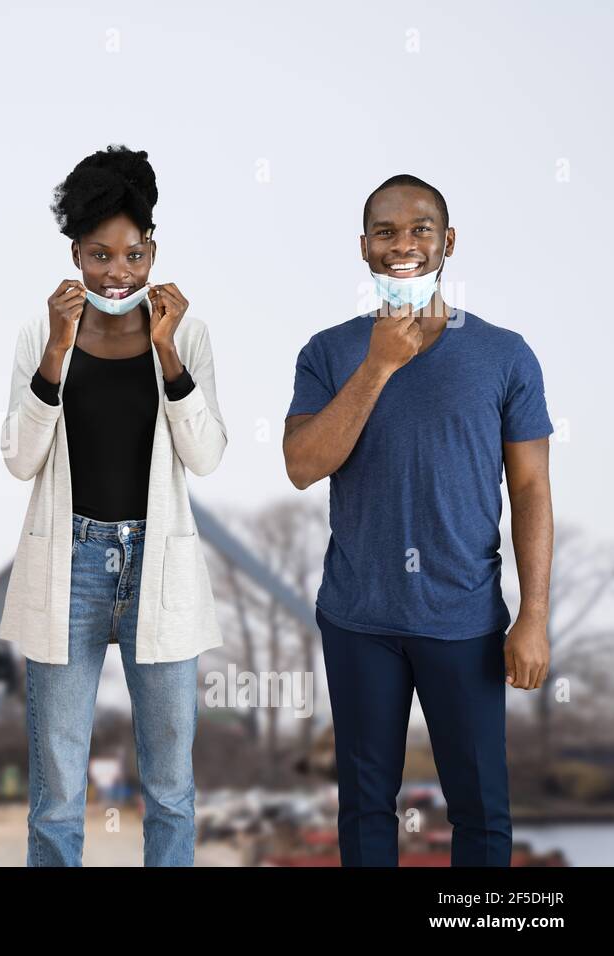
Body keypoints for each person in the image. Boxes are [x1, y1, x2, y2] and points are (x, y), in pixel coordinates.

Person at [283, 174, 554, 866]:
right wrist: (377, 367)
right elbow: (302, 464)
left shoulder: (506, 355)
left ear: (448, 242)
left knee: (482, 810)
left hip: (464, 620)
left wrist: (534, 617)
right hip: (358, 618)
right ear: (365, 247)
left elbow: (530, 490)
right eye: (386, 232)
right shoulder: (328, 352)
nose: (403, 244)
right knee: (366, 808)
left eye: (420, 229)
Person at [0, 146, 227, 866]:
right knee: (59, 788)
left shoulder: (186, 332)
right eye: (100, 256)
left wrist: (167, 353)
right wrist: (56, 354)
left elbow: (208, 455)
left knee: (170, 786)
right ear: (76, 254)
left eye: (132, 254)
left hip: (159, 567)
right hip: (68, 566)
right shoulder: (42, 332)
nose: (117, 273)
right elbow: (18, 458)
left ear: (152, 249)